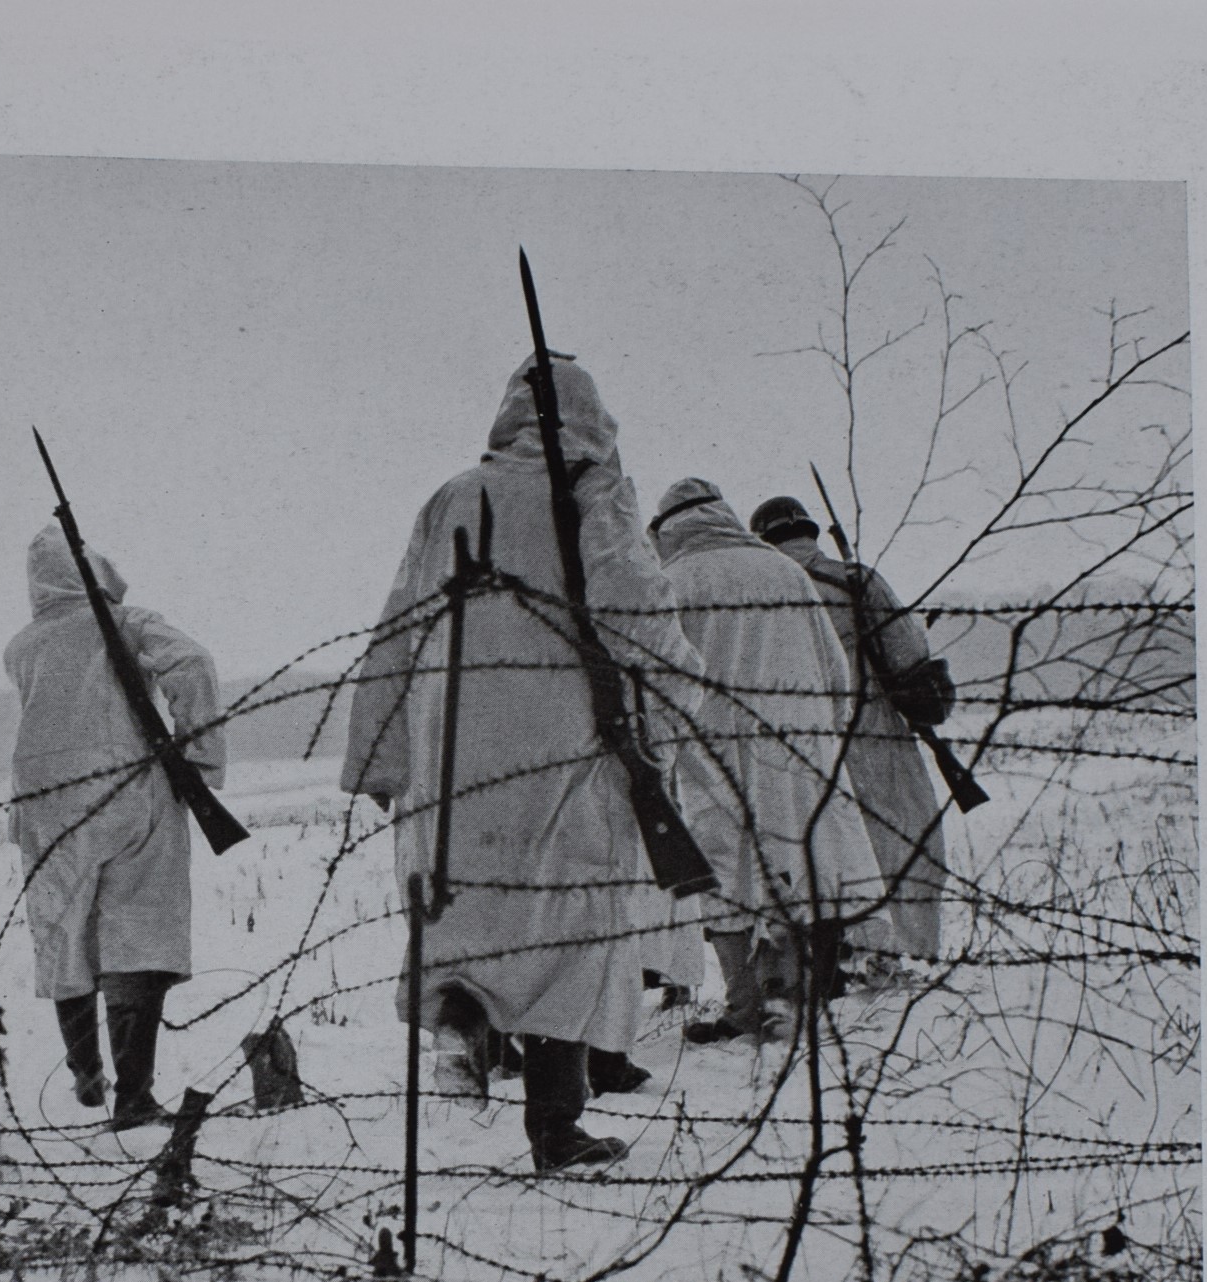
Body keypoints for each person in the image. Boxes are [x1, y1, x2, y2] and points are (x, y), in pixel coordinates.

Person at [343, 357, 702, 1173]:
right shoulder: (592, 491)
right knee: (570, 927)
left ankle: (467, 1012)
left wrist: (380, 753)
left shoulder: (451, 496)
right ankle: (554, 1126)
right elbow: (633, 609)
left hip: (453, 750)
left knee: (471, 911)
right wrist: (689, 697)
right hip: (561, 740)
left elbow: (395, 621)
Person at [648, 480, 892, 1042]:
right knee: (801, 864)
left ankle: (745, 1008)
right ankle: (793, 995)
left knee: (725, 876)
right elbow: (836, 672)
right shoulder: (785, 572)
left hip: (713, 750)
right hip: (799, 743)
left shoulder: (670, 583)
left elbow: (657, 680)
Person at [5, 526, 226, 1131]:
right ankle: (134, 1095)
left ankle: (85, 1072)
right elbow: (193, 661)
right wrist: (199, 755)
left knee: (64, 933)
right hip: (131, 791)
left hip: (43, 802)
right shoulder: (127, 622)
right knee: (137, 935)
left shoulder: (20, 647)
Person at [749, 495, 955, 961]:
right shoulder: (853, 579)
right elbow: (909, 657)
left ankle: (825, 964)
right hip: (872, 734)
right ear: (811, 531)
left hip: (785, 743)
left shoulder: (758, 590)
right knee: (901, 839)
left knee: (810, 854)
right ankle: (901, 955)